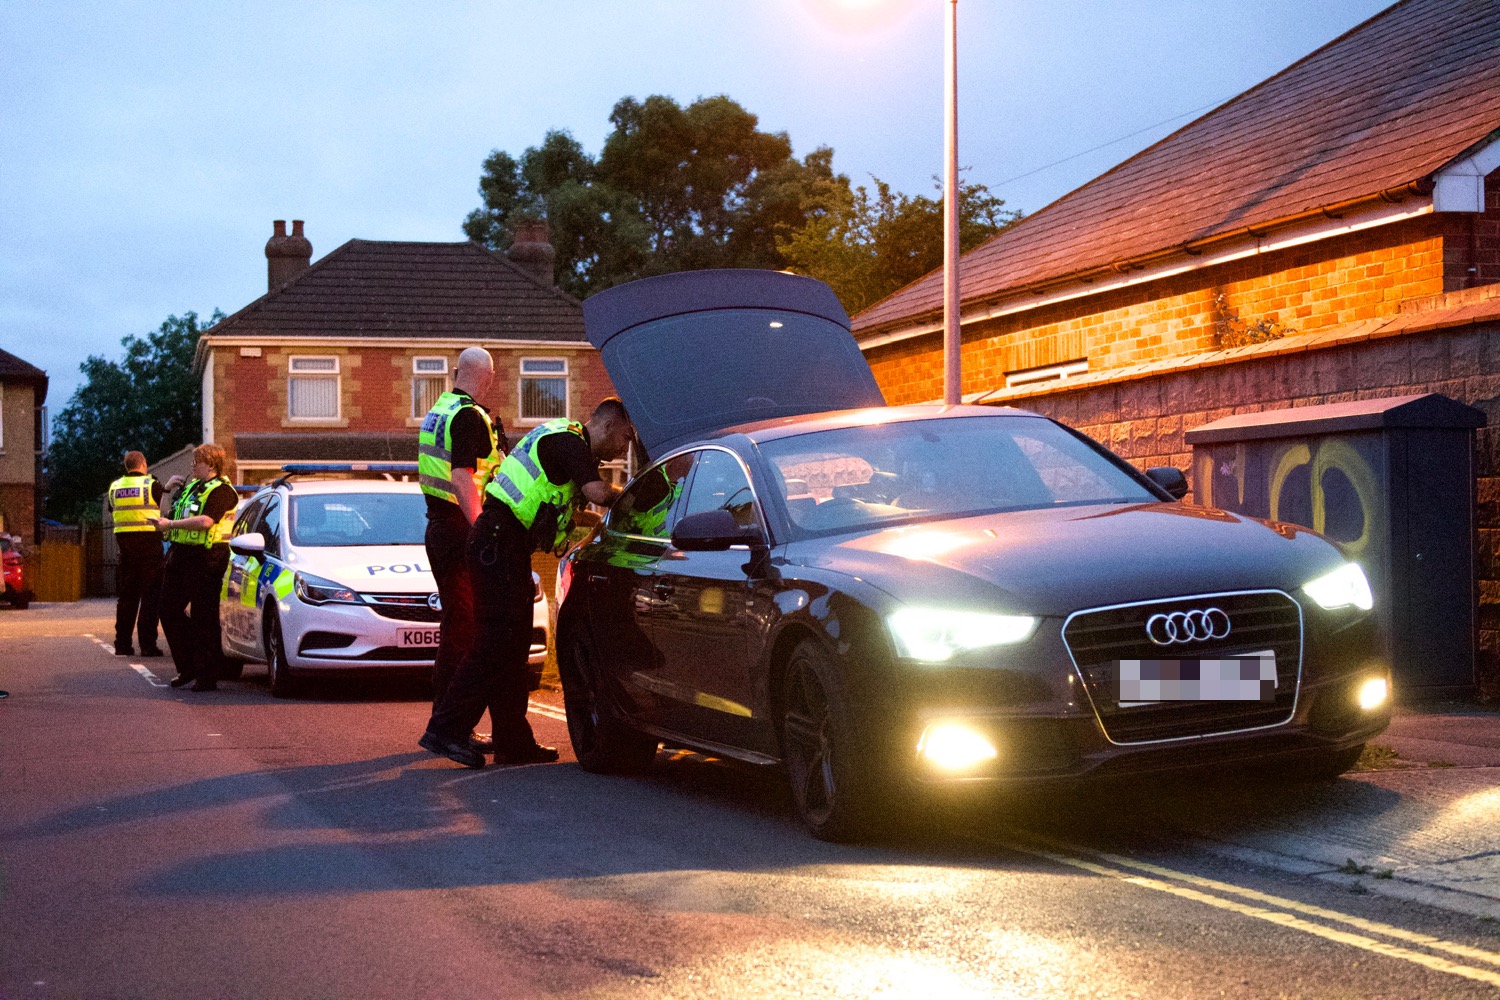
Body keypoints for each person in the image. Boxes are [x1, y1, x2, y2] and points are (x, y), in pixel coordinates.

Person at [419, 397, 635, 768]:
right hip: (497, 543)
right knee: (492, 643)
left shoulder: (567, 447)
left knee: (512, 649)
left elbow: (564, 510)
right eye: (626, 437)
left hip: (505, 547)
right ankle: (445, 730)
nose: (625, 447)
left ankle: (513, 742)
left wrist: (595, 527)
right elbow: (598, 494)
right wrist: (638, 496)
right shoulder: (570, 441)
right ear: (610, 425)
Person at [417, 347, 508, 752]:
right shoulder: (470, 416)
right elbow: (462, 478)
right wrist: (481, 531)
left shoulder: (439, 410)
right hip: (460, 527)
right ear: (487, 376)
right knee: (466, 629)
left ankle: (447, 719)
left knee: (457, 626)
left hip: (439, 526)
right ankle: (449, 725)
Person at [147, 444, 238, 692]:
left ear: (210, 464)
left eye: (195, 461)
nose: (191, 466)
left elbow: (207, 521)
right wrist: (167, 491)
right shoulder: (190, 488)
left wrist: (171, 523)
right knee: (167, 609)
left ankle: (206, 675)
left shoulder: (222, 491)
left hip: (207, 558)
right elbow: (168, 516)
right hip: (181, 555)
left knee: (203, 617)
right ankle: (188, 666)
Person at [107, 451, 165, 657]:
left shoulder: (114, 487)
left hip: (126, 550)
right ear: (143, 464)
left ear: (126, 466)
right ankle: (148, 645)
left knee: (127, 598)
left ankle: (122, 644)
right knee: (150, 597)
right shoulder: (152, 485)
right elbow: (159, 502)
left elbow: (111, 510)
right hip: (150, 548)